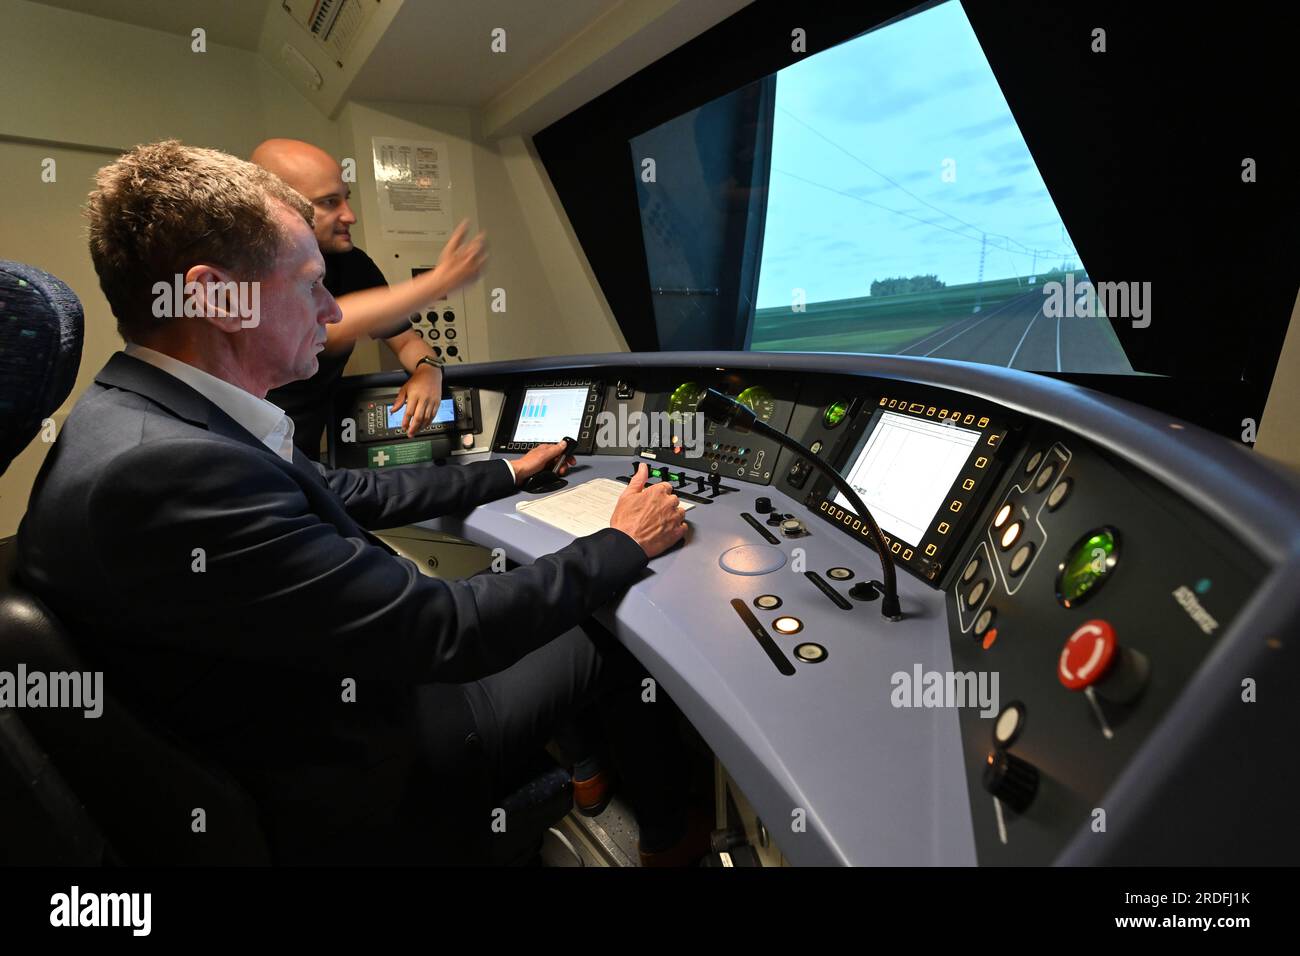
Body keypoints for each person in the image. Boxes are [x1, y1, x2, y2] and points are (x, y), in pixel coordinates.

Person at [17, 140, 700, 864]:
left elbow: (343, 489)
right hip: (373, 760)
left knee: (527, 587)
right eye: (312, 284)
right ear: (217, 297)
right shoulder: (168, 471)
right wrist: (625, 539)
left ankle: (588, 778)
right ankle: (670, 839)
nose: (334, 310)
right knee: (611, 622)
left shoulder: (142, 415)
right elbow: (447, 632)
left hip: (288, 716)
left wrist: (508, 473)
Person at [249, 138, 484, 457]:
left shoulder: (354, 265)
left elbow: (404, 340)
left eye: (346, 199)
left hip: (298, 452)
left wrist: (428, 369)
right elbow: (322, 331)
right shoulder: (247, 266)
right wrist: (434, 284)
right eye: (330, 203)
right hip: (244, 449)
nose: (350, 216)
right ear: (276, 206)